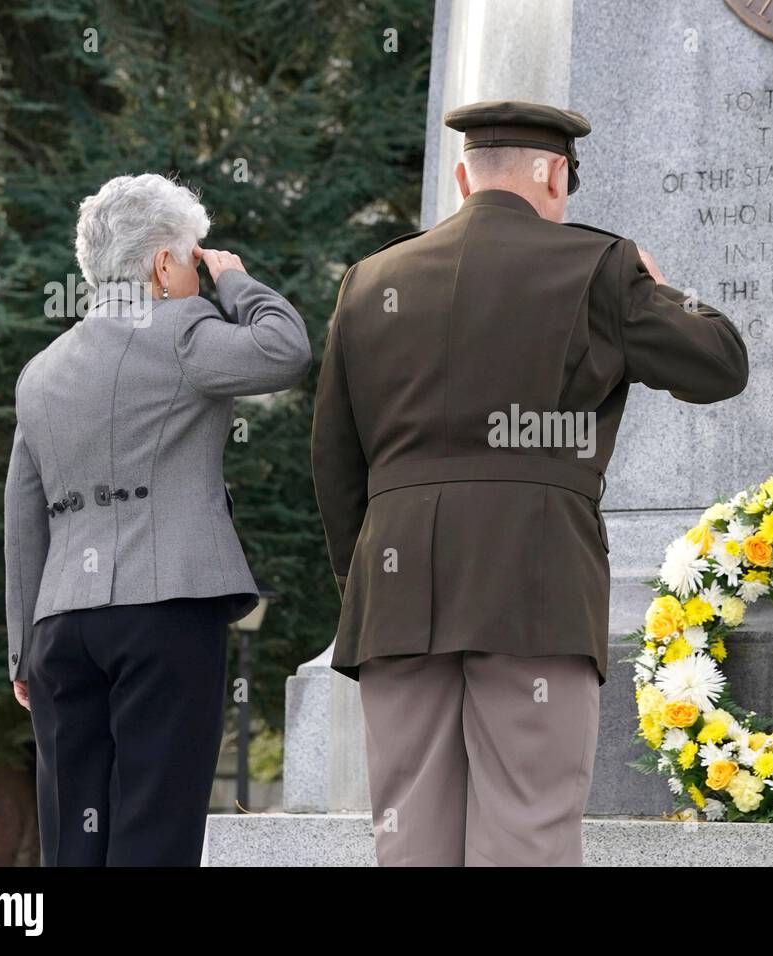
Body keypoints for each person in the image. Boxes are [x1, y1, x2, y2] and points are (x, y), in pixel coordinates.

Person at [311, 99, 749, 866]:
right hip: (533, 581)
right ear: (554, 175)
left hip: (396, 593)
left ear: (462, 177)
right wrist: (650, 282)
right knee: (528, 830)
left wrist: (369, 587)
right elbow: (720, 361)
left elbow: (336, 463)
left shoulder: (368, 279)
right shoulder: (599, 267)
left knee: (409, 836)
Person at [4, 173, 312, 865]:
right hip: (164, 611)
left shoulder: (41, 371)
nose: (198, 271)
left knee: (72, 842)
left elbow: (22, 511)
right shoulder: (183, 328)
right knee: (154, 834)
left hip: (60, 629)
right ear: (162, 265)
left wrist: (22, 645)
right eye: (194, 255)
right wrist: (236, 283)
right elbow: (286, 349)